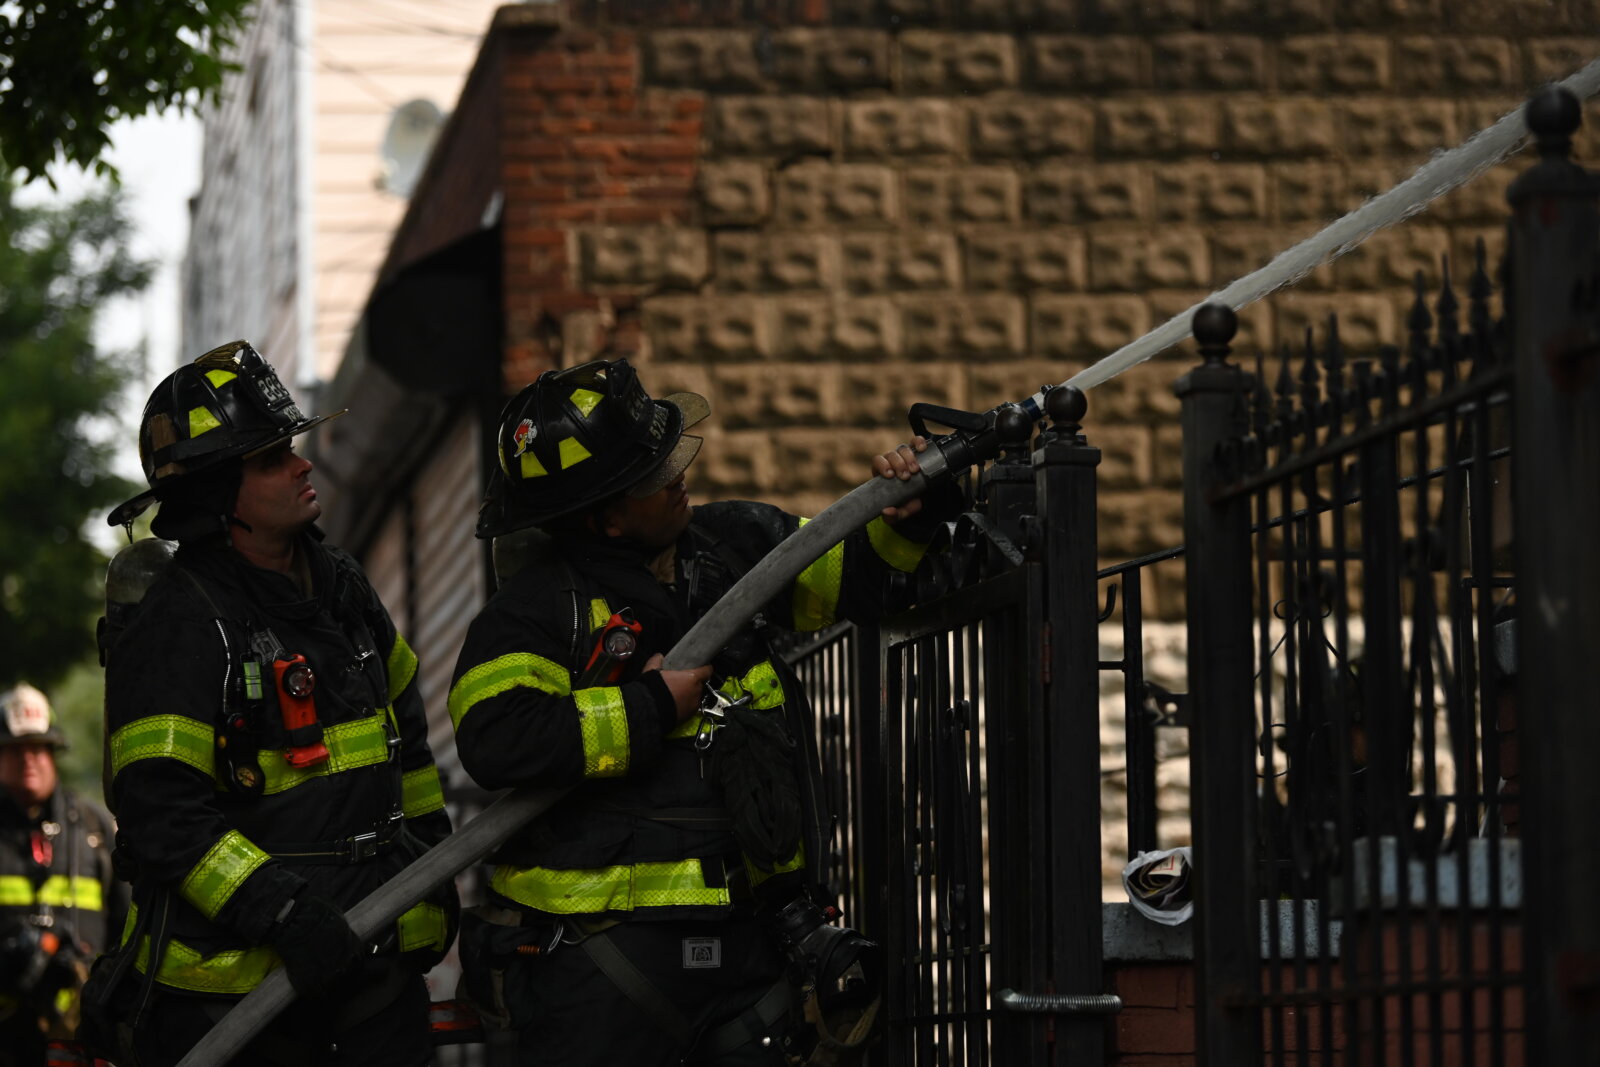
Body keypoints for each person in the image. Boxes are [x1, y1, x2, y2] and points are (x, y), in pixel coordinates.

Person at [450, 357, 956, 1065]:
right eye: (652, 473)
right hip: (598, 967)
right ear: (603, 517)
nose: (677, 473)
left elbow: (863, 581)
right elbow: (498, 737)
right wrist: (648, 707)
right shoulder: (535, 612)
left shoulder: (733, 548)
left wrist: (912, 513)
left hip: (751, 955)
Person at [86, 341, 457, 1066]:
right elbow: (163, 814)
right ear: (216, 499)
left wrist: (430, 863)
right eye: (269, 459)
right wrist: (283, 912)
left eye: (289, 446)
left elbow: (403, 734)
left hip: (372, 975)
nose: (301, 463)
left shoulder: (341, 586)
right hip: (236, 1006)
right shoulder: (179, 625)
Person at [0, 684, 123, 1067]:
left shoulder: (94, 827)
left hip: (80, 1033)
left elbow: (128, 922)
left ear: (54, 753)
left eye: (39, 748)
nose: (29, 760)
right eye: (16, 750)